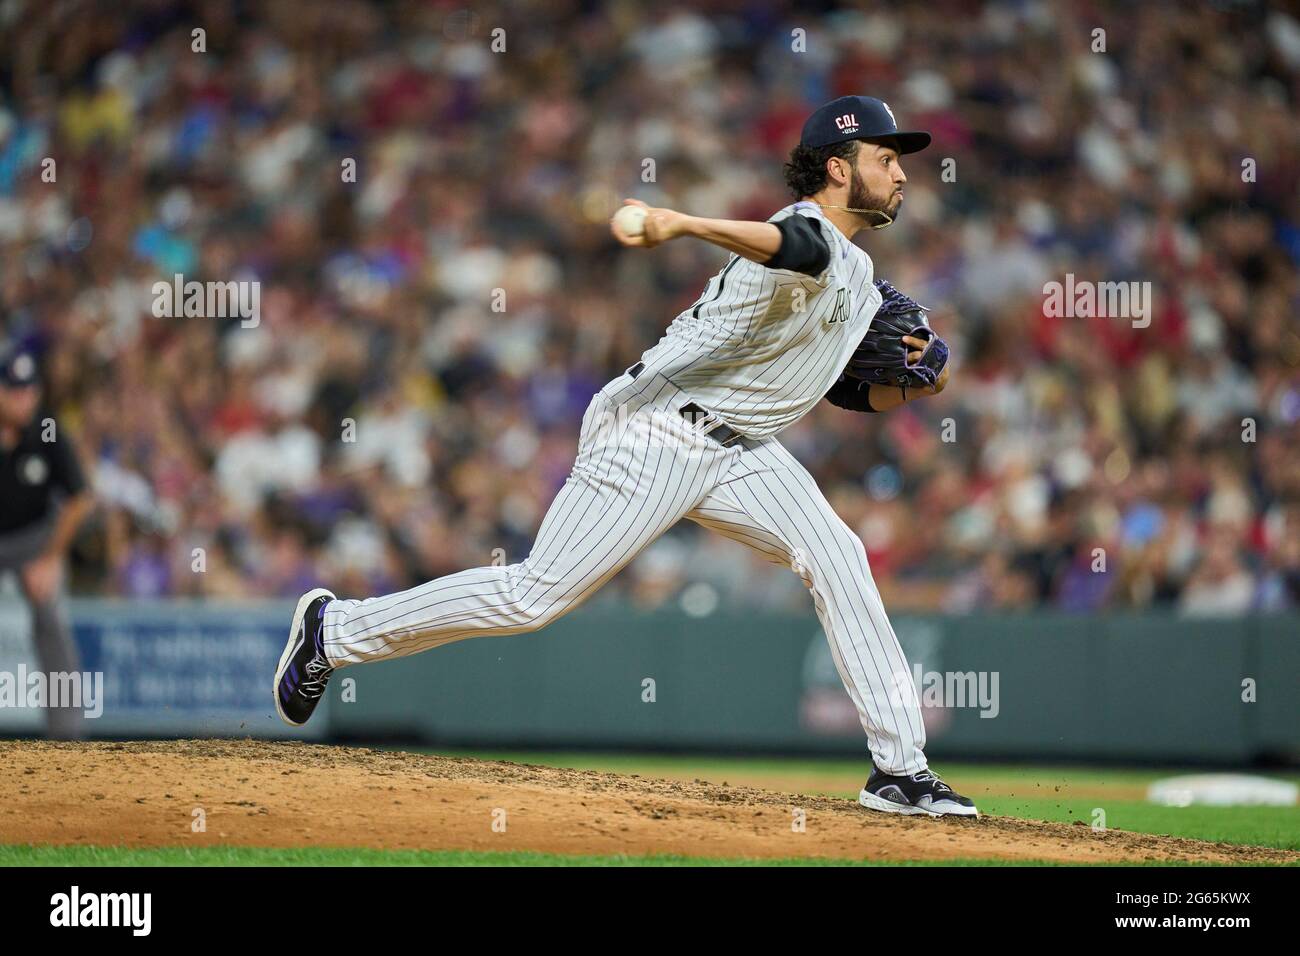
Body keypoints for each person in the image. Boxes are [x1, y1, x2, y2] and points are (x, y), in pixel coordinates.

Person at [275, 96, 977, 817]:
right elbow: (792, 244)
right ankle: (336, 631)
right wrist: (684, 223)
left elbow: (848, 393)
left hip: (742, 449)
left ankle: (900, 770)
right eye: (885, 158)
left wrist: (920, 386)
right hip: (656, 431)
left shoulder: (857, 273)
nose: (900, 173)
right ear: (837, 168)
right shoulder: (807, 233)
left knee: (838, 555)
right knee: (533, 596)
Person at [0, 345, 95, 739]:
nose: (25, 399)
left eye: (30, 390)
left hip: (34, 539)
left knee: (52, 618)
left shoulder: (46, 429)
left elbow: (80, 498)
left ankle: (67, 735)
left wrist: (51, 559)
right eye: (15, 390)